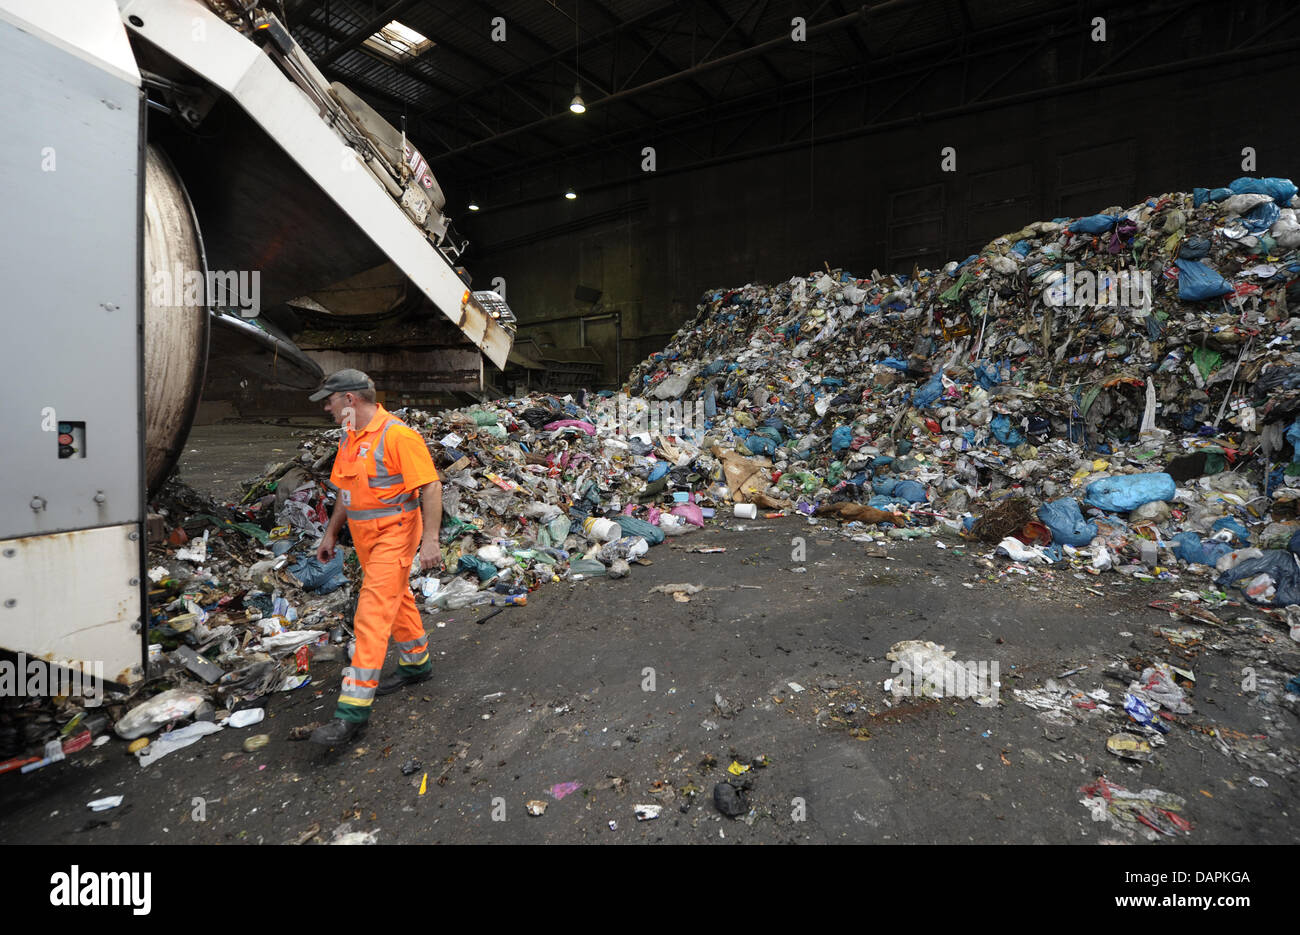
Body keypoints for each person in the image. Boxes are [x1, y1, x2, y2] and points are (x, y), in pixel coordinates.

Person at [306, 369, 443, 745]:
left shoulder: (398, 436)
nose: (328, 409)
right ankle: (417, 664)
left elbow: (430, 486)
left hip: (396, 535)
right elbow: (345, 493)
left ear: (350, 399)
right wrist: (331, 532)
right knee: (396, 598)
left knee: (371, 614)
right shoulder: (350, 437)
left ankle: (352, 713)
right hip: (367, 540)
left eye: (330, 401)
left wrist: (430, 540)